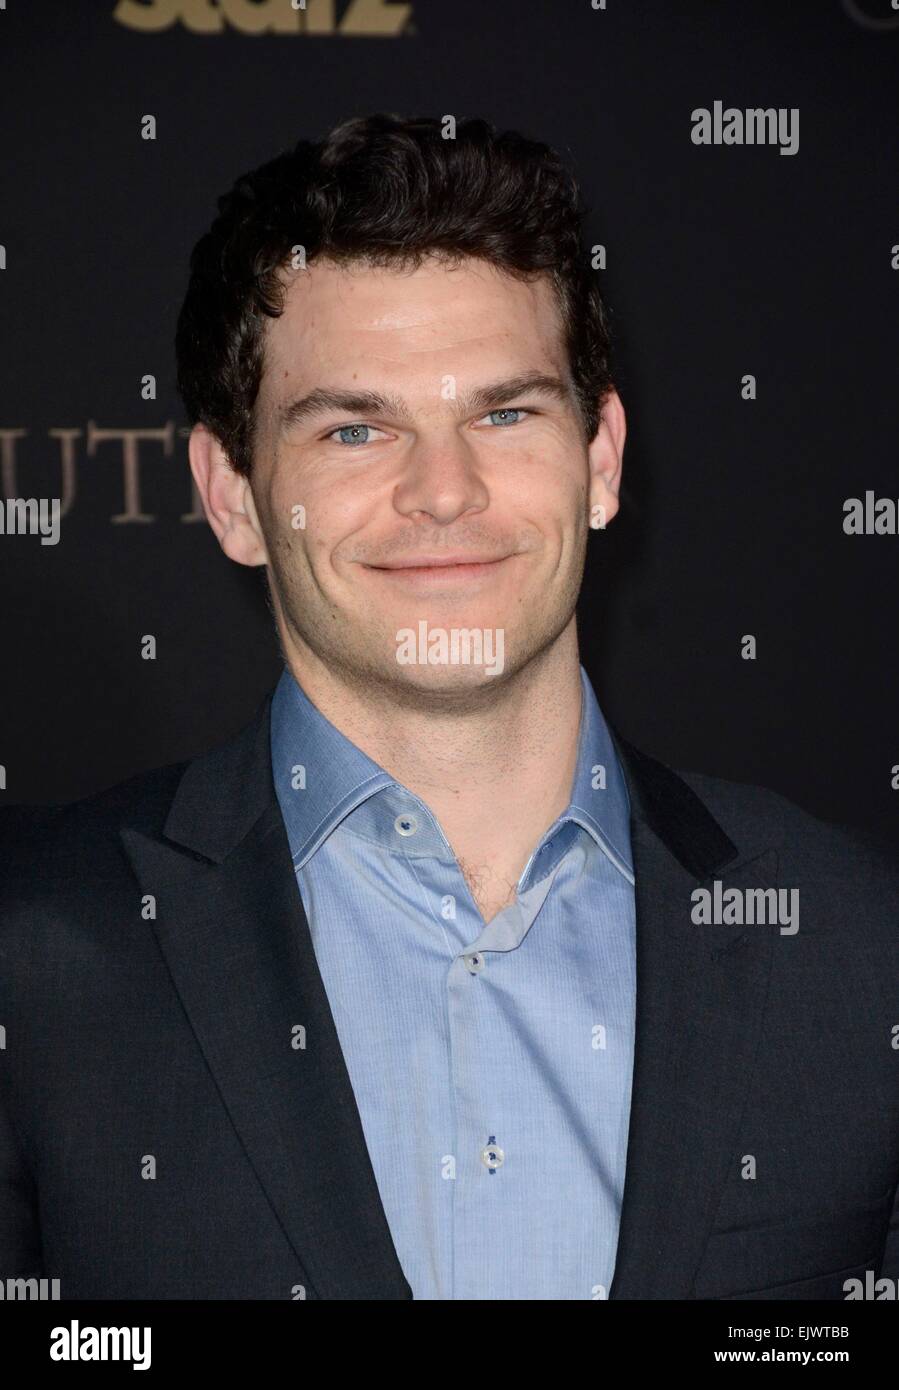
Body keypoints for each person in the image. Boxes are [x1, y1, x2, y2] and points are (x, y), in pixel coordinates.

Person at [1, 114, 897, 1301]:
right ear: (230, 494)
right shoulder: (36, 956)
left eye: (504, 412)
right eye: (356, 428)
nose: (443, 490)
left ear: (600, 459)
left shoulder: (851, 945)